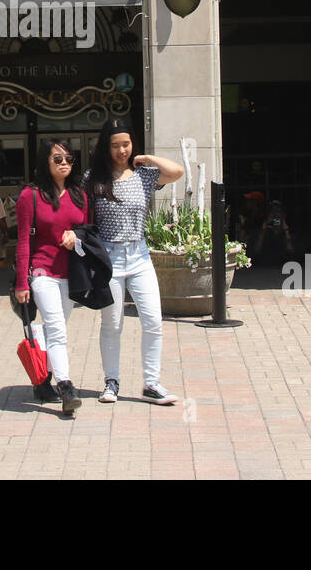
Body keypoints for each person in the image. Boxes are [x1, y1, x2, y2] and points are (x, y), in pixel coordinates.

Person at [83, 117, 184, 405]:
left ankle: (151, 383)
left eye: (126, 144)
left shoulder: (144, 175)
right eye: (115, 145)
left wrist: (148, 157)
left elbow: (176, 172)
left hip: (139, 256)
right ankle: (111, 382)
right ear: (106, 147)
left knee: (153, 320)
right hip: (109, 258)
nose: (121, 150)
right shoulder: (93, 178)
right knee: (112, 324)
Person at [14, 138, 89, 415]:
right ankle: (66, 386)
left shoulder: (80, 195)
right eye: (57, 159)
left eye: (69, 158)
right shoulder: (30, 196)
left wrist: (76, 237)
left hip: (70, 273)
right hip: (41, 271)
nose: (65, 163)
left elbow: (87, 231)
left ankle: (42, 380)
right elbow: (23, 241)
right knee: (57, 328)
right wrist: (23, 282)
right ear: (45, 162)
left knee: (51, 329)